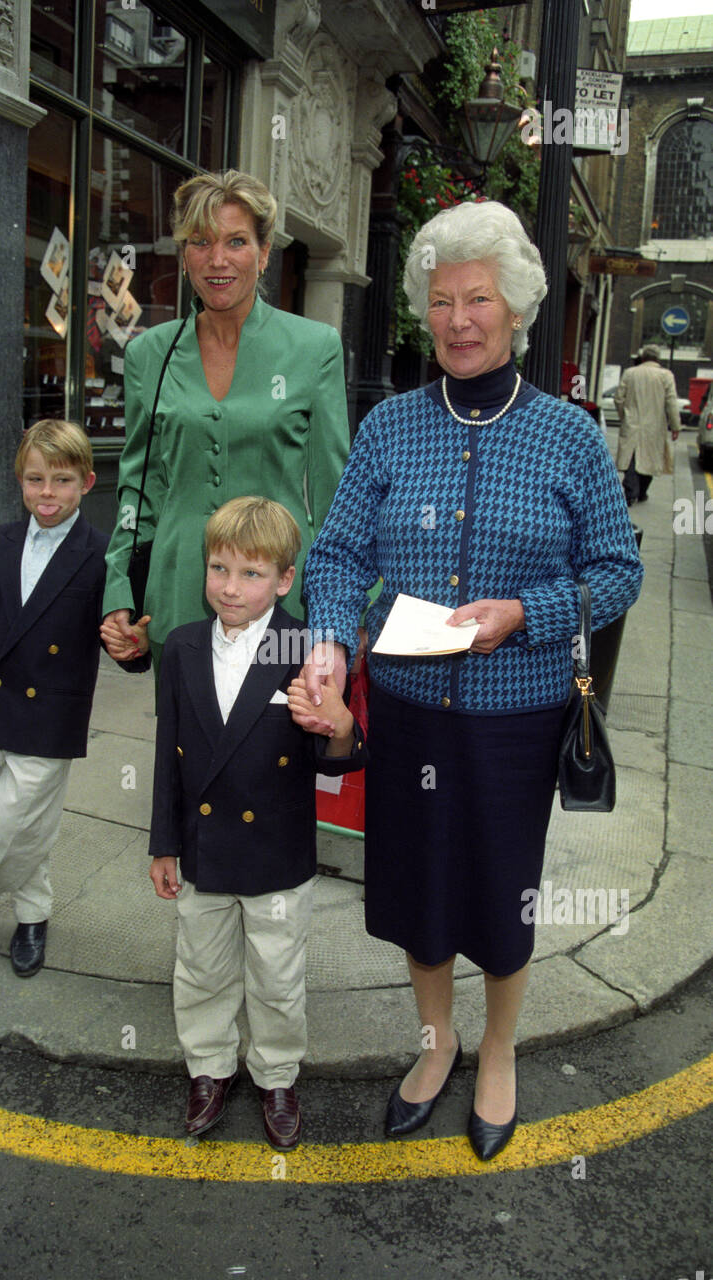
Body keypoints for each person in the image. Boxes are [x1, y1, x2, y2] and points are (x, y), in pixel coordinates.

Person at [296, 200, 643, 1161]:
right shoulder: (391, 427)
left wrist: (523, 613)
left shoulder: (569, 435)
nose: (458, 319)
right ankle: (434, 1040)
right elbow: (333, 557)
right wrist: (329, 644)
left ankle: (498, 1049)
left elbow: (619, 571)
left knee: (499, 889)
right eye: (443, 300)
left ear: (516, 309)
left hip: (514, 719)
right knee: (417, 886)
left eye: (478, 298)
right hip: (406, 709)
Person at [148, 496, 367, 1149]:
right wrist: (164, 844)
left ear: (284, 579)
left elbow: (337, 758)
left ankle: (275, 1075)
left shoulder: (308, 647)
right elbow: (168, 757)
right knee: (201, 970)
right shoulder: (183, 647)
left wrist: (341, 727)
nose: (230, 587)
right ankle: (210, 1068)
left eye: (249, 573)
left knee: (276, 977)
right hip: (204, 849)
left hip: (276, 852)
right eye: (219, 569)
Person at [101, 169, 350, 677]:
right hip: (177, 590)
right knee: (184, 746)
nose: (218, 259)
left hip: (278, 592)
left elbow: (334, 493)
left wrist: (341, 613)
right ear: (184, 254)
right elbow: (137, 488)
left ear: (262, 255)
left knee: (273, 747)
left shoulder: (314, 347)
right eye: (201, 241)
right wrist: (118, 590)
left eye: (236, 242)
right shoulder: (150, 353)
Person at [0, 420, 147, 977]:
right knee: (11, 823)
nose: (46, 493)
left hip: (52, 711)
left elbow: (123, 634)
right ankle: (33, 916)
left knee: (7, 823)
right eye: (35, 479)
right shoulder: (0, 540)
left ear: (86, 482)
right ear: (20, 481)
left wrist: (131, 646)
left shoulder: (104, 553)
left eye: (61, 480)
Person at [614, 344, 681, 506]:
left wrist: (625, 415)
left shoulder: (630, 373)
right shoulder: (666, 376)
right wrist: (675, 426)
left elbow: (618, 398)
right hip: (655, 426)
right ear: (658, 359)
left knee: (631, 458)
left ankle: (631, 492)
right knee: (649, 460)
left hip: (632, 423)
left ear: (642, 358)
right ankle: (641, 491)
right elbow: (671, 402)